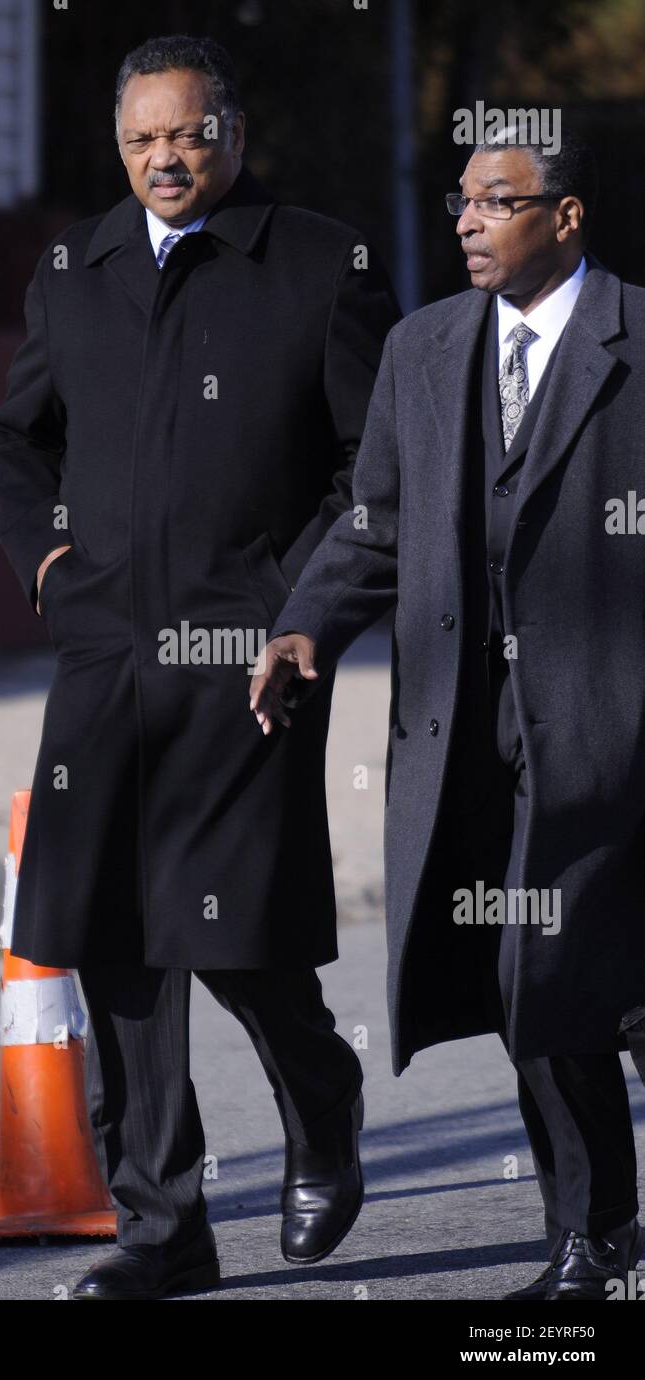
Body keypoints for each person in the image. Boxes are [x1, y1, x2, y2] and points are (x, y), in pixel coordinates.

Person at [0, 33, 399, 1300]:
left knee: (234, 930)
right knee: (113, 933)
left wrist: (299, 609)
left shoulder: (321, 263)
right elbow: (15, 441)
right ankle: (164, 1231)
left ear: (232, 131)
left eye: (187, 133)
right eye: (141, 139)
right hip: (105, 653)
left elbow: (370, 473)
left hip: (251, 657)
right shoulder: (77, 265)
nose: (164, 158)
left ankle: (318, 1095)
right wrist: (52, 569)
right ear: (119, 147)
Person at [251, 125, 645, 1301]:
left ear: (565, 217)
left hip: (616, 728)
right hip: (469, 728)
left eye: (497, 202)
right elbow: (374, 523)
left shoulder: (636, 341)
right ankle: (590, 1234)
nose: (467, 222)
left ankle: (599, 1229)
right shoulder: (424, 349)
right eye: (459, 201)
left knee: (605, 978)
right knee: (525, 975)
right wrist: (304, 625)